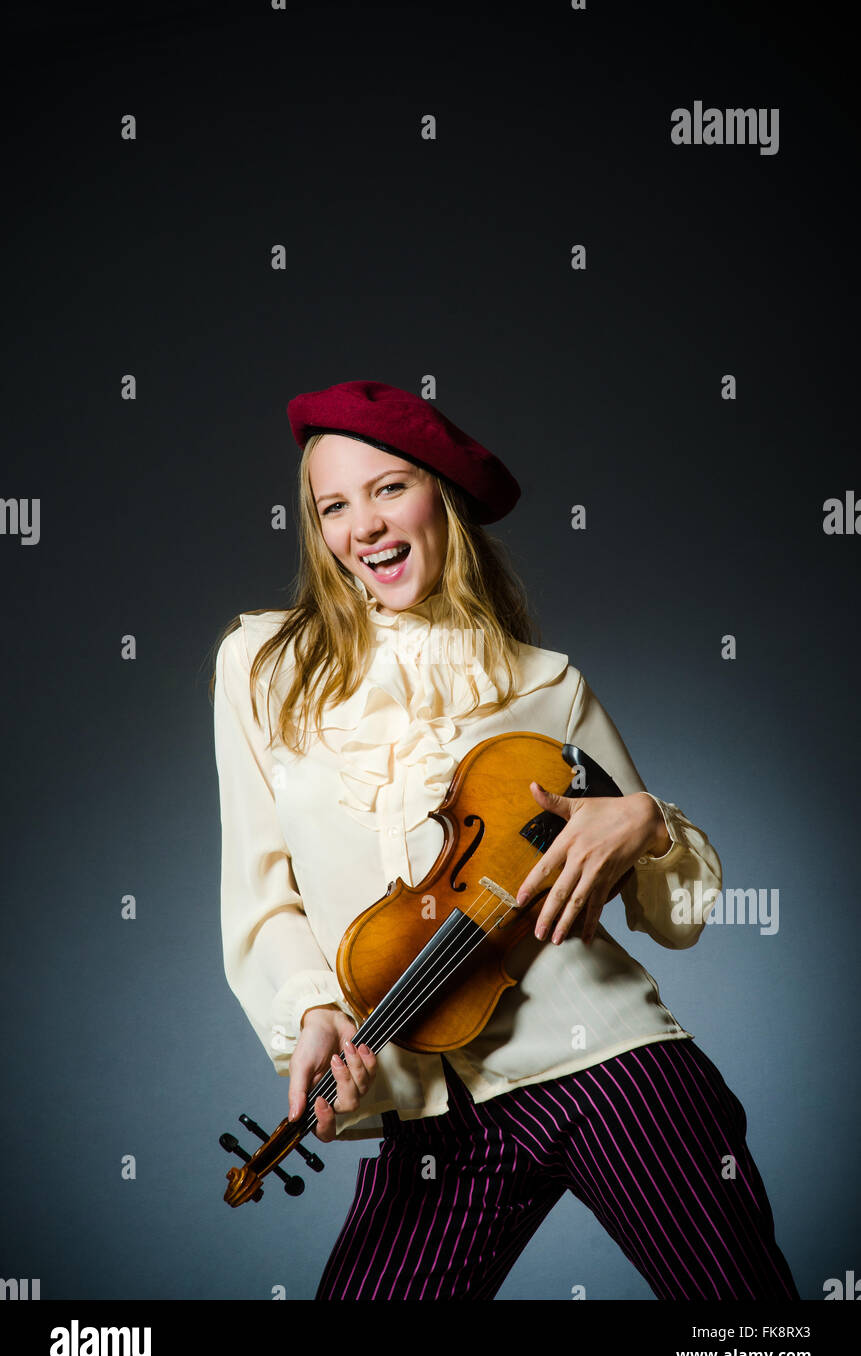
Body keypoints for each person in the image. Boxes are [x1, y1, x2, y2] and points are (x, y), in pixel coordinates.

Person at [211, 379, 800, 1301]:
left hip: (609, 1067)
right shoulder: (260, 666)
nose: (362, 524)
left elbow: (669, 913)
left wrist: (644, 823)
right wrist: (311, 1011)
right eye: (333, 505)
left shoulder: (545, 686)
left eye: (389, 488)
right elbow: (262, 886)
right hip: (425, 1108)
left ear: (440, 495)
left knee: (745, 1332)